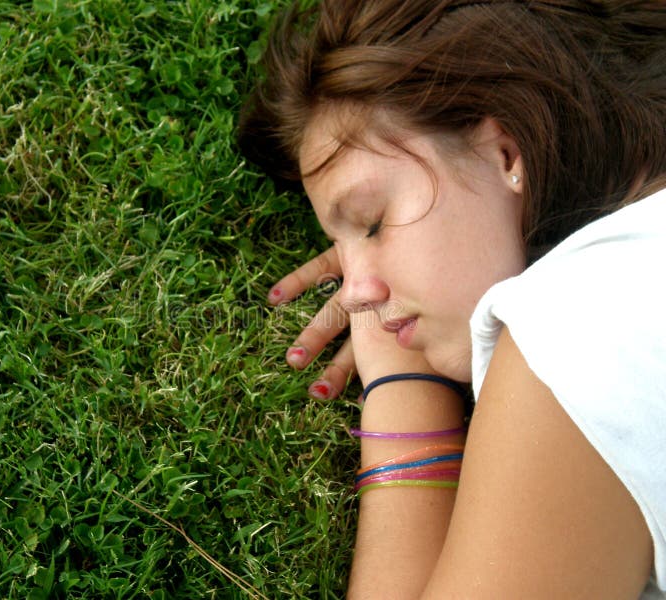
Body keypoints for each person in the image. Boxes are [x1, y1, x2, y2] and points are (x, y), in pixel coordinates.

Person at [237, 1, 666, 598]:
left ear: (506, 153)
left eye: (372, 221)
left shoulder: (578, 323)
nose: (357, 293)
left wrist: (403, 391)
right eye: (341, 246)